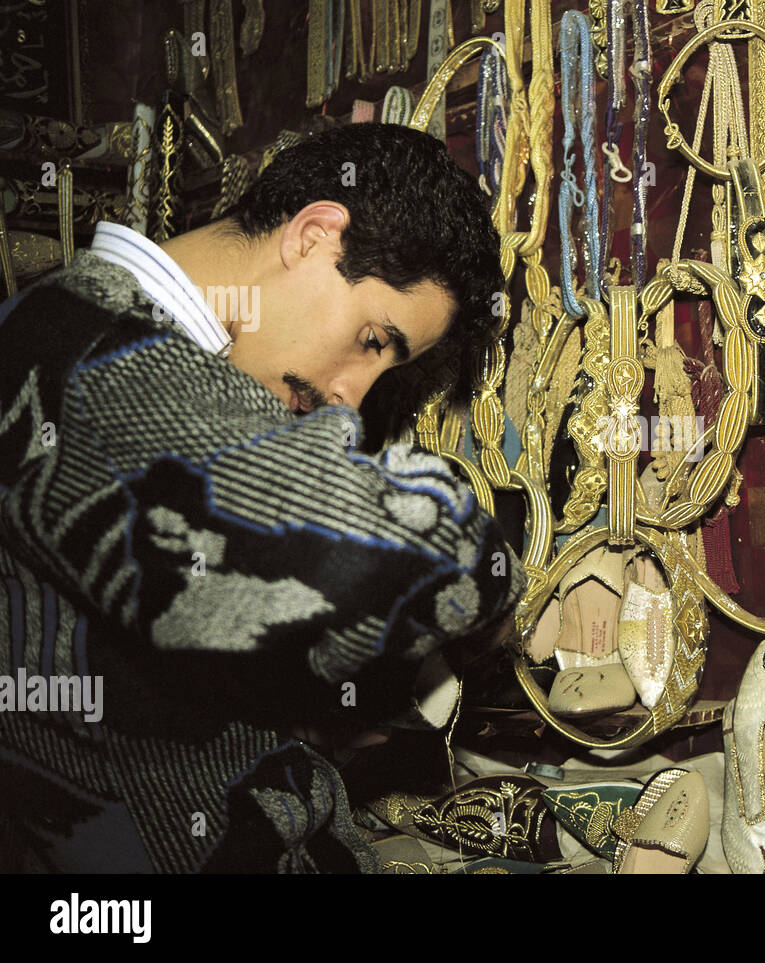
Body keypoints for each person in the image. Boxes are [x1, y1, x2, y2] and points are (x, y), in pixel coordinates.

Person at [0, 123, 524, 872]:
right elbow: (382, 554)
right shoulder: (97, 358)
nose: (348, 400)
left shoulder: (76, 335)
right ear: (314, 235)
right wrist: (495, 587)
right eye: (375, 340)